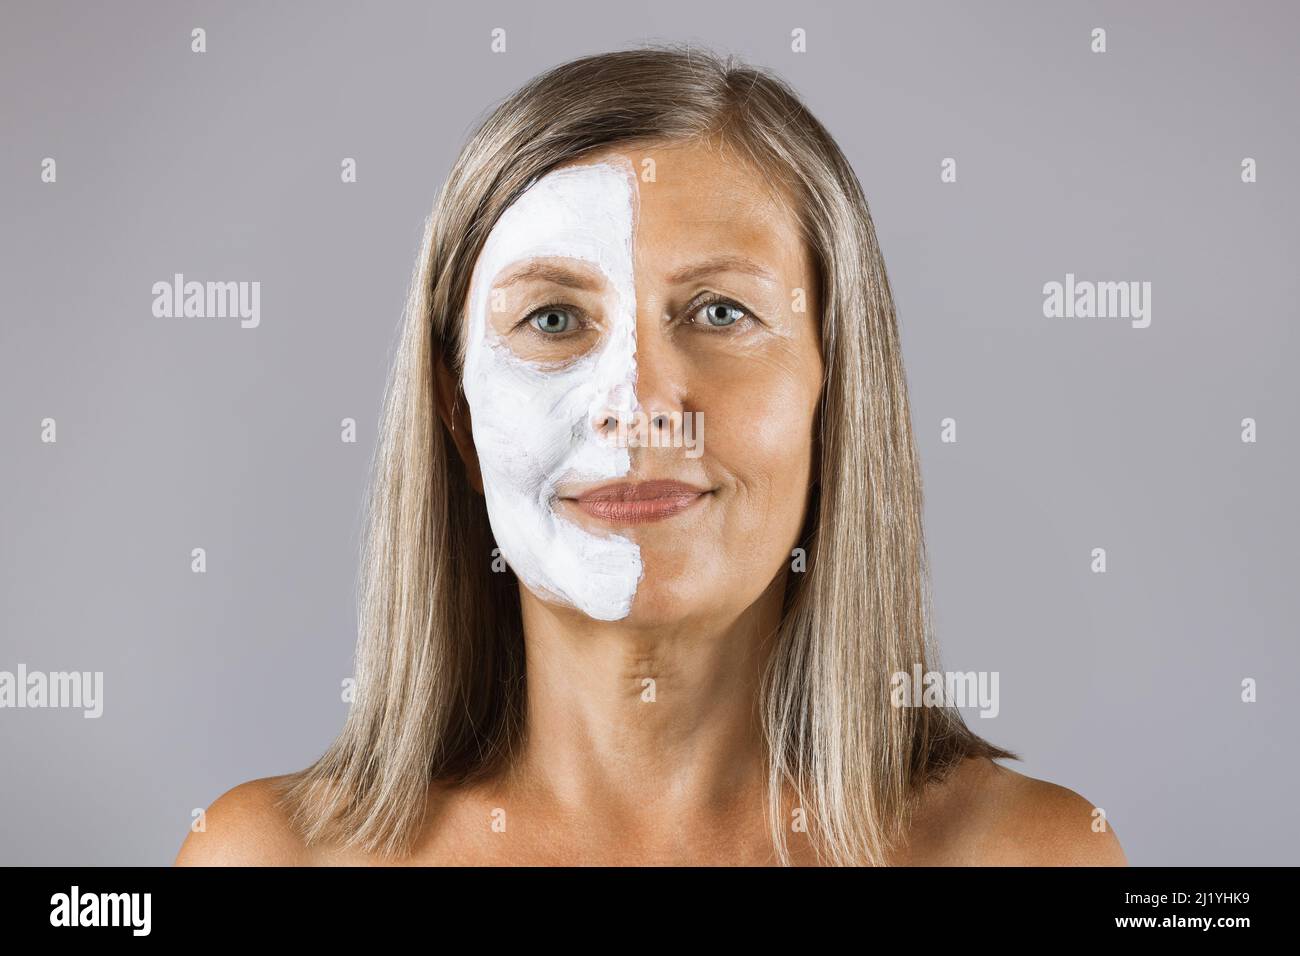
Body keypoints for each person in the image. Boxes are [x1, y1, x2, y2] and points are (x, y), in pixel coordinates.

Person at [176, 45, 1126, 867]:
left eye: (723, 313)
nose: (638, 410)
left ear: (835, 392)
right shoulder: (263, 858)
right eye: (552, 320)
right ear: (456, 416)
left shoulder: (1033, 856)